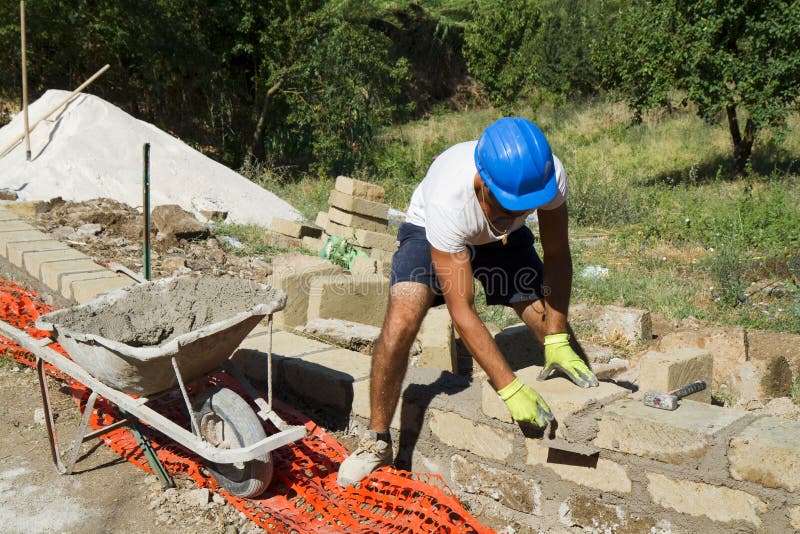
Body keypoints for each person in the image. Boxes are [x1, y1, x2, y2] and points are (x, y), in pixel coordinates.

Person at [336, 117, 598, 488]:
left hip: (500, 244)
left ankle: (578, 419)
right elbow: (463, 311)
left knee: (550, 325)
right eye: (508, 210)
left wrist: (556, 337)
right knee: (400, 323)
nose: (518, 217)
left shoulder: (546, 175)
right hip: (431, 234)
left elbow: (557, 253)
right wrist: (508, 387)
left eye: (525, 211)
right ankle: (375, 441)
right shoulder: (449, 200)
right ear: (482, 186)